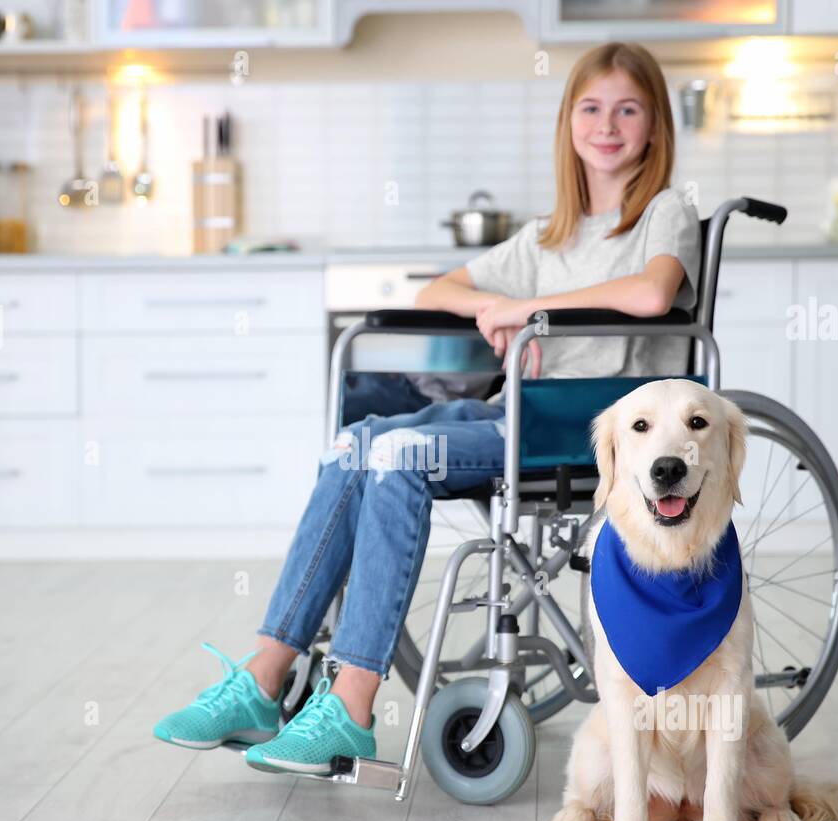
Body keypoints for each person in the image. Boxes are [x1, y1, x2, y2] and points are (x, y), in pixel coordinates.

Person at [153, 41, 703, 775]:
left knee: (397, 452)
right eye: (592, 108)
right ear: (569, 122)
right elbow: (434, 292)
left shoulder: (665, 212)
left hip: (593, 431)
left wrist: (527, 310)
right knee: (358, 443)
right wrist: (495, 310)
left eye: (628, 109)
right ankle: (265, 672)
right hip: (517, 418)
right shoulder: (551, 235)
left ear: (655, 126)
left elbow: (652, 294)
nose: (608, 124)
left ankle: (348, 705)